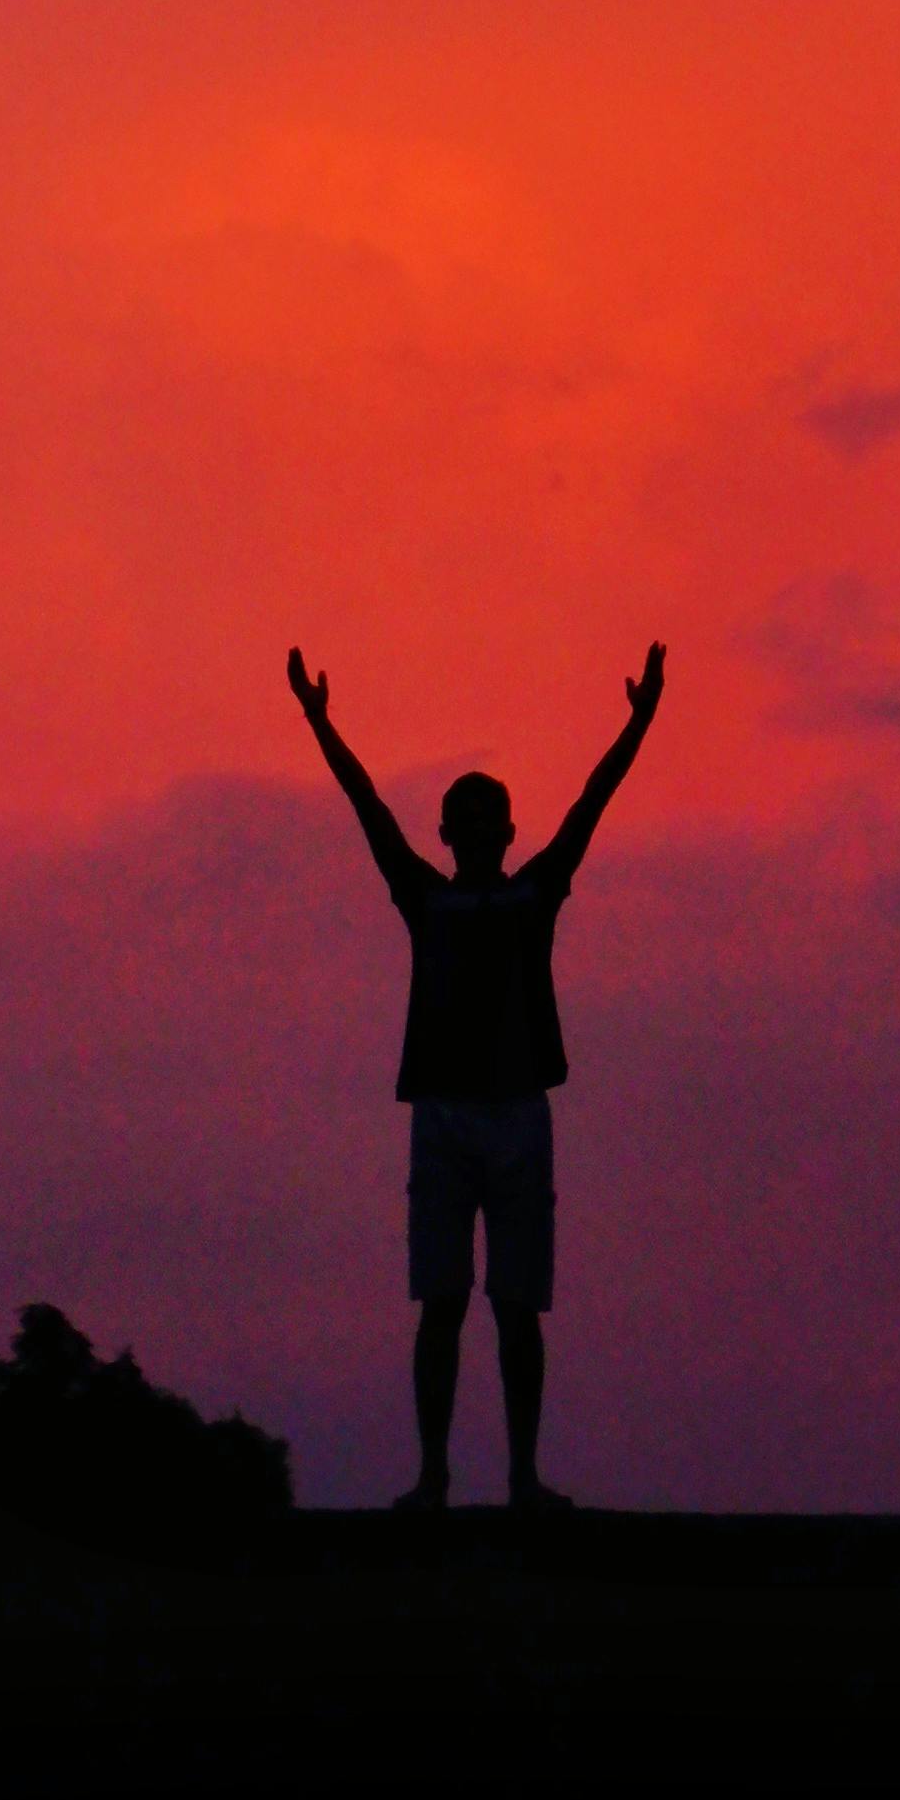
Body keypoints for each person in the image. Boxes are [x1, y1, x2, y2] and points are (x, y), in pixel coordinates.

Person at [286, 639, 665, 1519]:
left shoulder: (530, 895)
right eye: (467, 819)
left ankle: (520, 1477)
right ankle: (435, 1477)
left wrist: (639, 722)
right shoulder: (430, 898)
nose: (480, 832)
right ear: (450, 835)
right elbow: (367, 807)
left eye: (489, 819)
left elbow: (592, 801)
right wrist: (319, 722)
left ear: (504, 833)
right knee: (444, 1302)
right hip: (446, 1114)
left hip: (518, 1112)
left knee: (515, 1305)